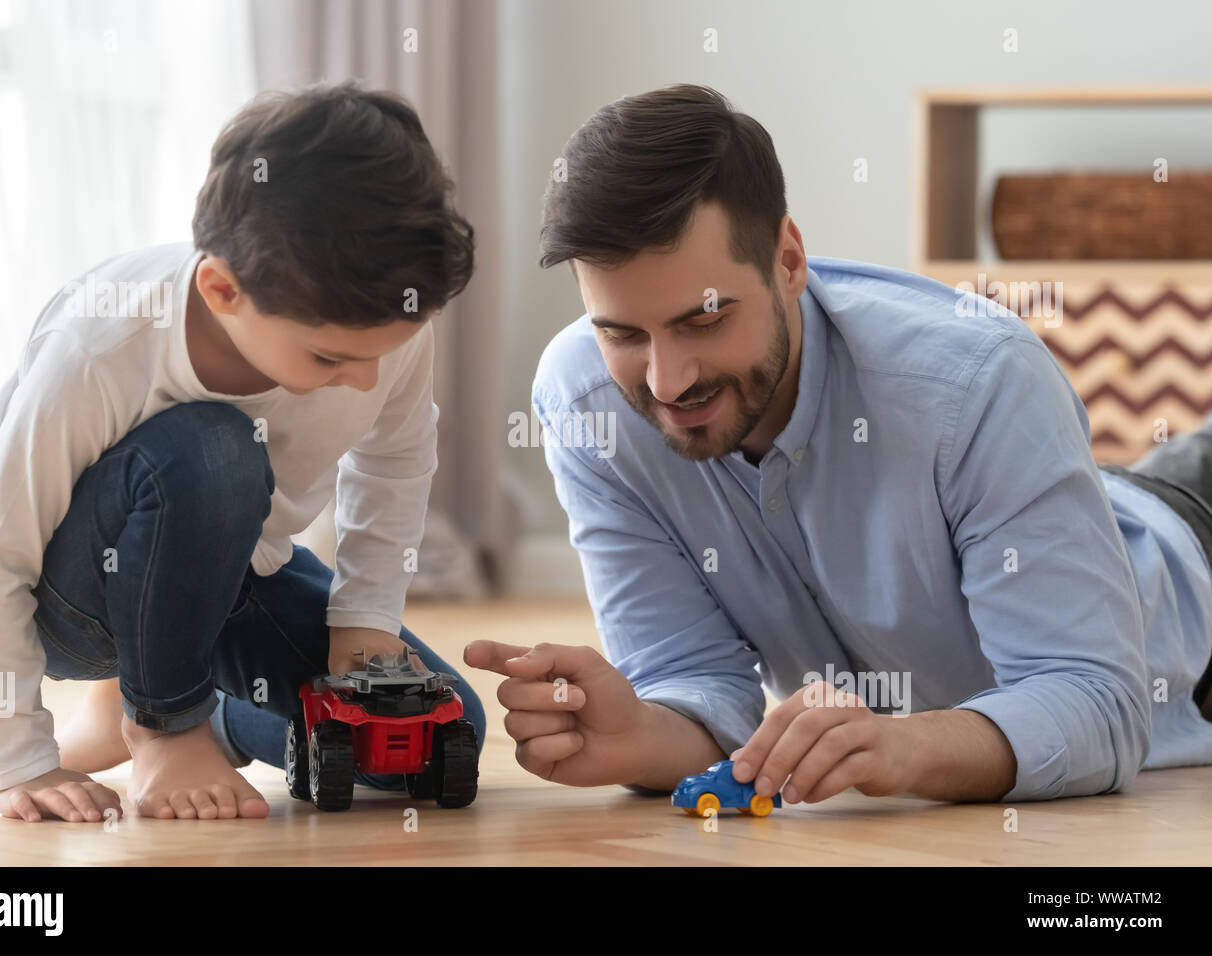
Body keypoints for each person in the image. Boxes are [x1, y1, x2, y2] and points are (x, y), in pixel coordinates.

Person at [466, 83, 1212, 804]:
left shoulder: (976, 380)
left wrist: (906, 746)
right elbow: (691, 679)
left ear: (789, 260)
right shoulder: (587, 404)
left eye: (704, 320)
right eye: (622, 332)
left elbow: (1097, 702)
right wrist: (639, 733)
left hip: (1186, 561)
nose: (666, 381)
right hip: (1096, 498)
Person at [0, 80, 486, 823]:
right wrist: (19, 762)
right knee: (214, 452)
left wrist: (364, 624)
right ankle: (163, 724)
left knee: (436, 730)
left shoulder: (381, 322)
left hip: (227, 569)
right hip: (73, 598)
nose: (365, 381)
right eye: (331, 360)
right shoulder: (103, 347)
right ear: (222, 290)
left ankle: (200, 711)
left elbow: (393, 466)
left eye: (382, 353)